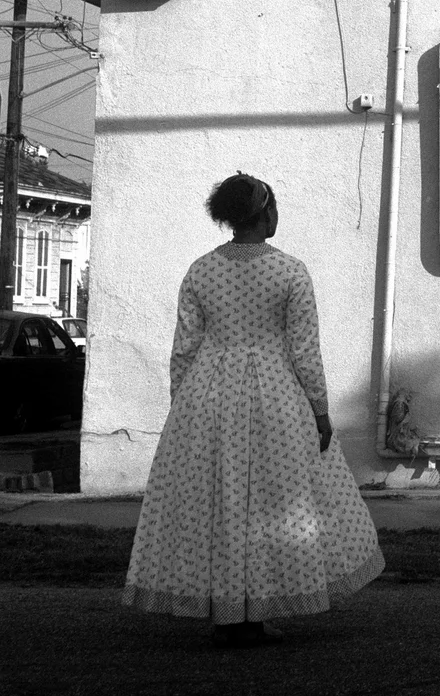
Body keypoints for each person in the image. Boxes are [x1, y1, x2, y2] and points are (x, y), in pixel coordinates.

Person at [122, 173, 384, 647]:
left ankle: (232, 615)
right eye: (275, 208)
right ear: (263, 214)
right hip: (275, 399)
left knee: (219, 505)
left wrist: (181, 408)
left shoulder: (200, 270)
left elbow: (184, 349)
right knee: (271, 503)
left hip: (207, 397)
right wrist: (320, 411)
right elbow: (305, 351)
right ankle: (257, 607)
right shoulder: (289, 271)